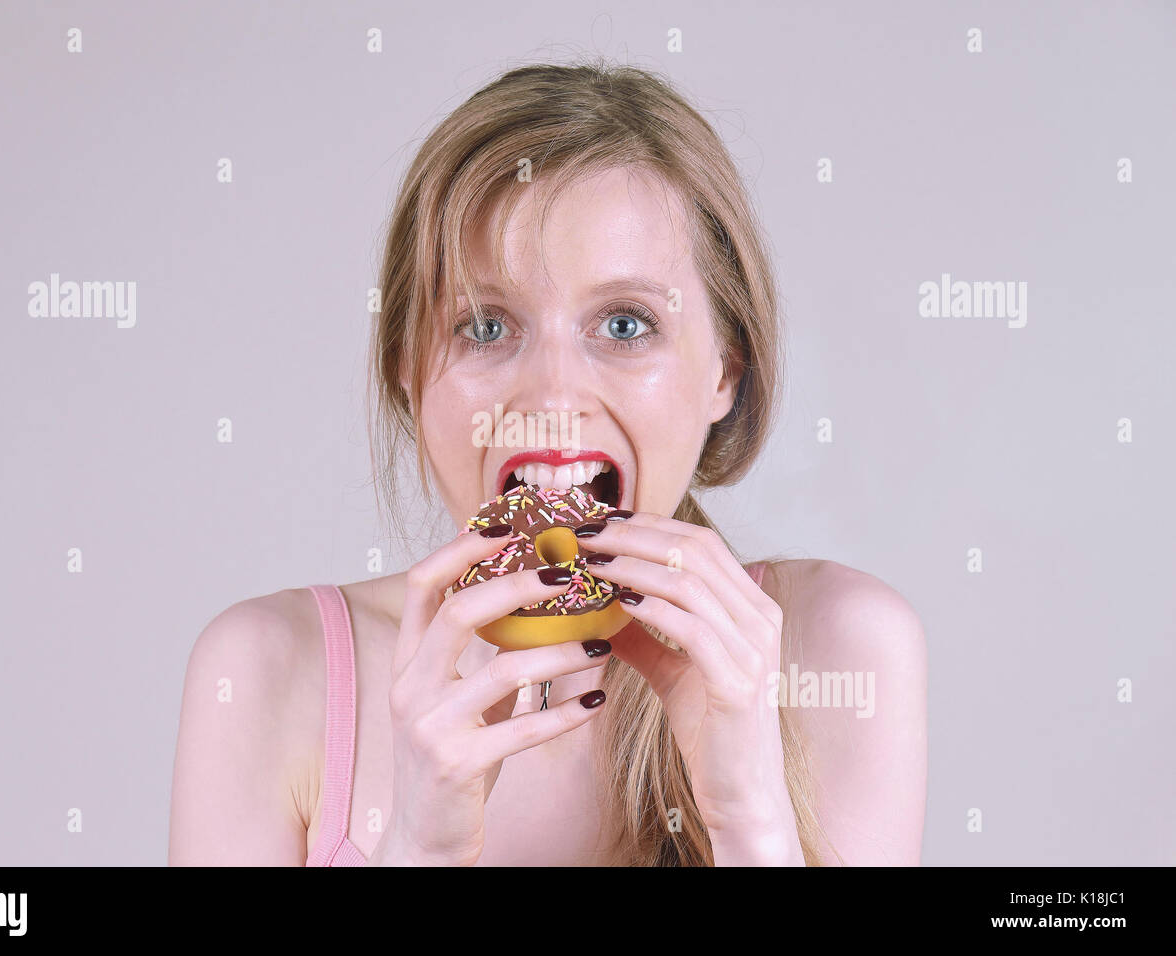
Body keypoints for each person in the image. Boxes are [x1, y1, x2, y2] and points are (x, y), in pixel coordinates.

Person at [168, 60, 927, 866]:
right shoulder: (264, 671)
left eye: (626, 325)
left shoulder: (837, 652)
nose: (554, 396)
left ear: (724, 372)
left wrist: (750, 821)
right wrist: (419, 844)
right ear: (406, 369)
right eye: (487, 327)